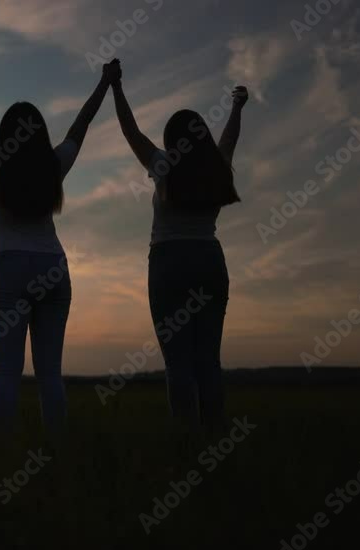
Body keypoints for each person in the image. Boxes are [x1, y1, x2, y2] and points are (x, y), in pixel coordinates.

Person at [0, 42, 118, 432]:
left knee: (6, 373)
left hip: (10, 267)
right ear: (40, 133)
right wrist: (105, 82)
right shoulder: (54, 164)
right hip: (53, 268)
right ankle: (55, 452)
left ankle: (2, 455)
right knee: (50, 374)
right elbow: (83, 122)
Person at [109, 59, 248, 427]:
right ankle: (214, 437)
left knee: (178, 363)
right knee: (208, 360)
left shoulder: (163, 167)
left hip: (169, 264)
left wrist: (116, 87)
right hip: (209, 261)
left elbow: (131, 132)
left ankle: (187, 443)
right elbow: (230, 137)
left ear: (173, 140)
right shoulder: (217, 166)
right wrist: (236, 106)